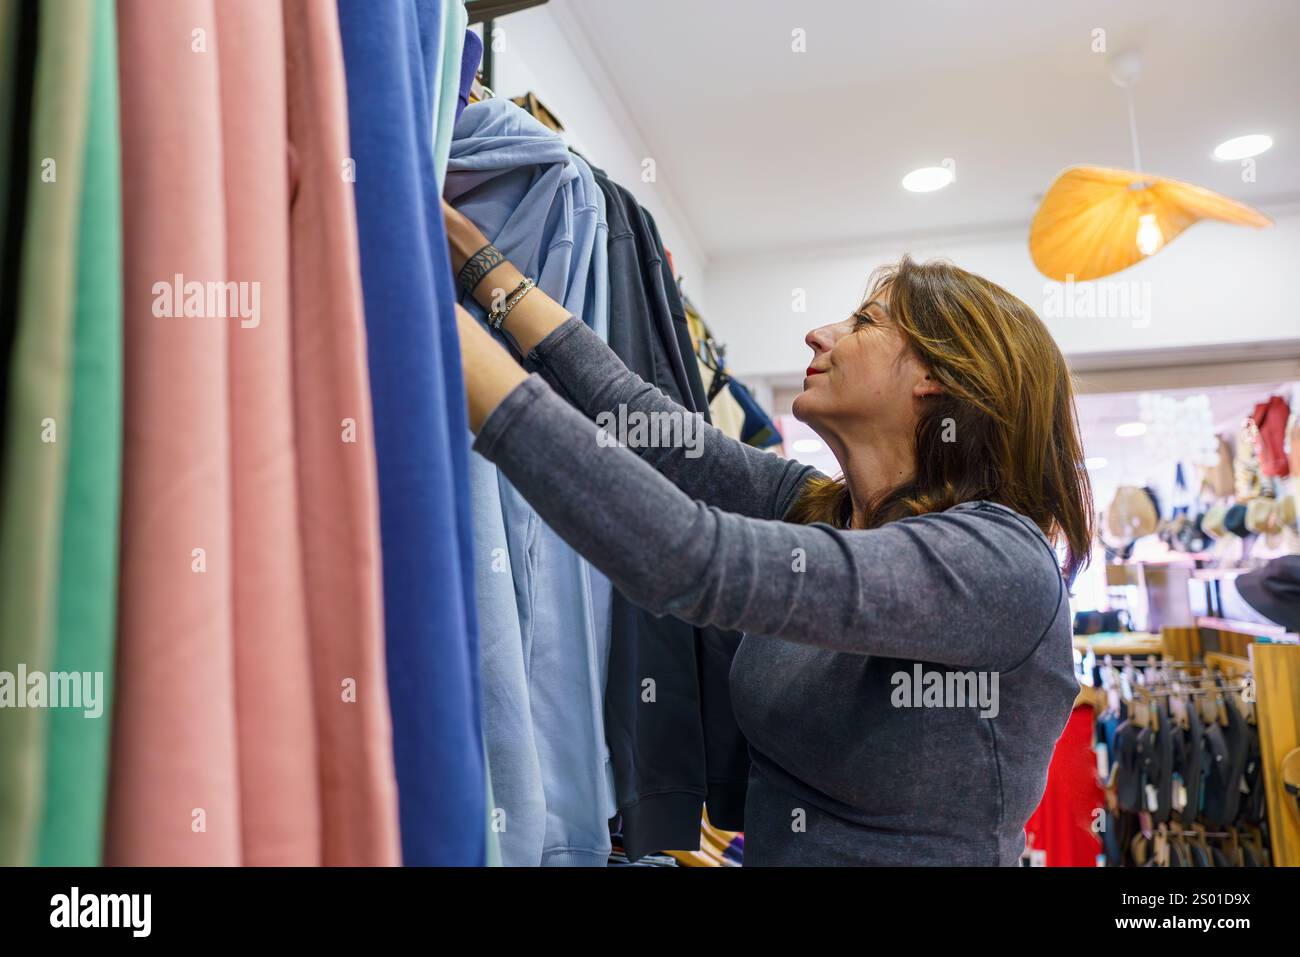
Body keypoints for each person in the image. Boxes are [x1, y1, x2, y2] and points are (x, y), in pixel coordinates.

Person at [444, 199, 1093, 866]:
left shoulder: (999, 565)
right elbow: (644, 424)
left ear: (938, 375)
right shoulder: (820, 507)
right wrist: (475, 262)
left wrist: (436, 326)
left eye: (864, 323)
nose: (818, 334)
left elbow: (691, 556)